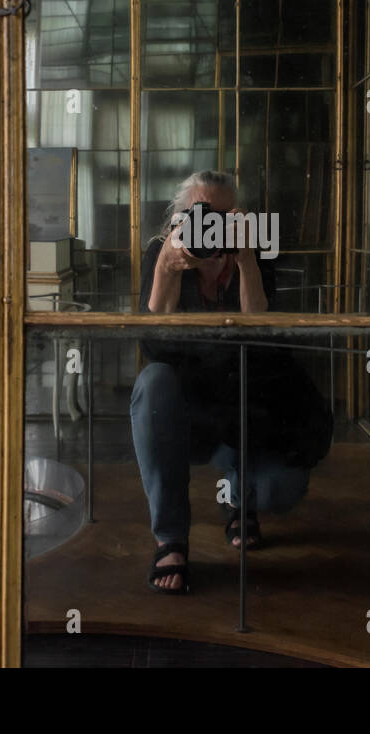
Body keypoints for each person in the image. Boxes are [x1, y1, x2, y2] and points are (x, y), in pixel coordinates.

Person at [130, 170, 332, 594]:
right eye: (198, 215)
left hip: (249, 397)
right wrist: (167, 267)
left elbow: (260, 341)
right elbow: (154, 344)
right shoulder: (160, 250)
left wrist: (246, 260)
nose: (209, 227)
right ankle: (170, 537)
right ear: (177, 219)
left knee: (280, 490)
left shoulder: (257, 250)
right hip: (188, 403)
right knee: (154, 381)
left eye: (222, 216)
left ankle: (242, 501)